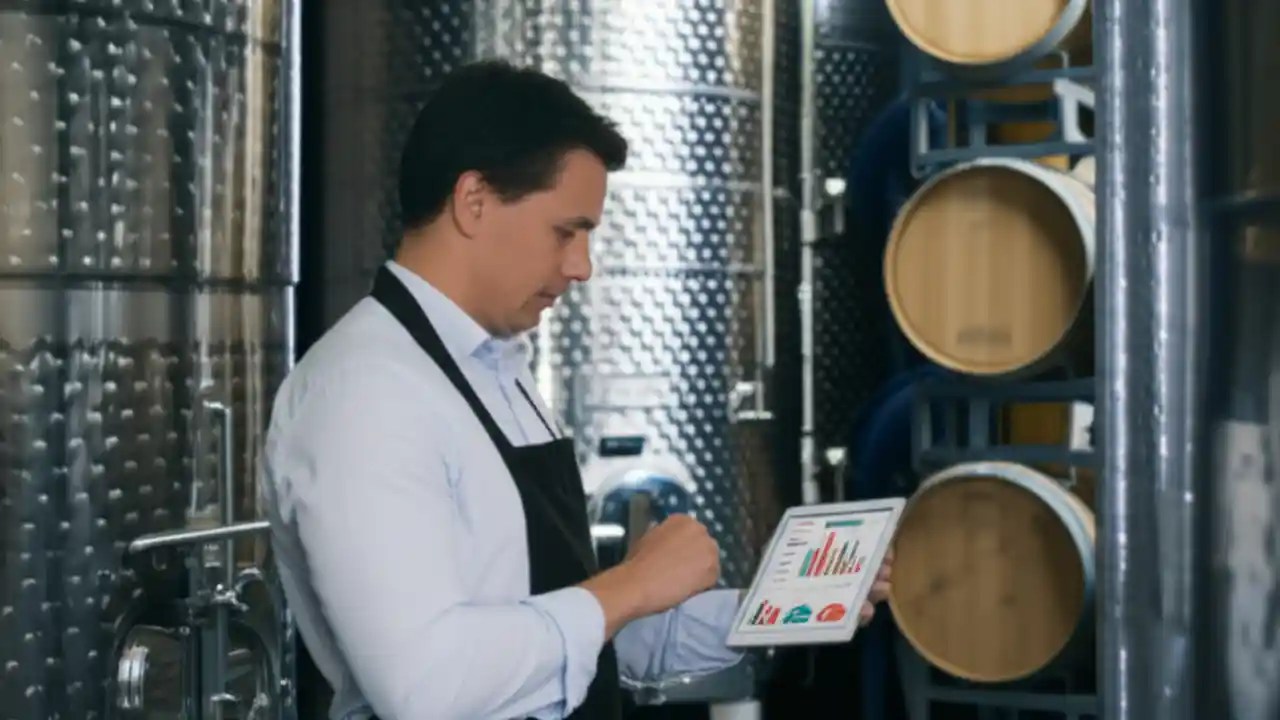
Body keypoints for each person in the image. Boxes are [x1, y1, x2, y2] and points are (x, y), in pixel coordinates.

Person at [260, 60, 893, 720]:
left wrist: (776, 609)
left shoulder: (497, 371)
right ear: (473, 201)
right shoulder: (365, 394)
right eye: (566, 232)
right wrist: (632, 583)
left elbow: (581, 637)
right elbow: (426, 687)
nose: (581, 267)